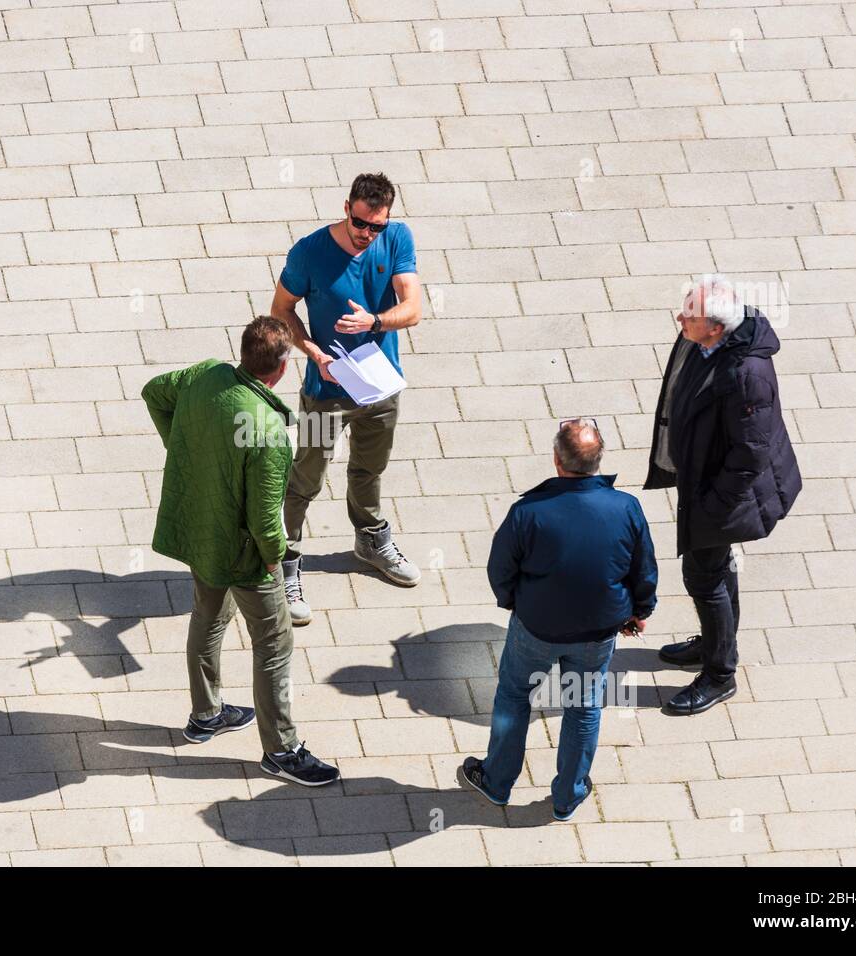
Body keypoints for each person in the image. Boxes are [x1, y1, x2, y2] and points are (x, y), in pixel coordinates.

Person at [141, 316, 340, 787]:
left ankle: (206, 714)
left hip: (198, 528)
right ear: (283, 368)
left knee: (208, 617)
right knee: (274, 643)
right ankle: (282, 749)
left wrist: (183, 446)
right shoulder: (268, 432)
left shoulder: (205, 374)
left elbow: (153, 392)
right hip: (242, 552)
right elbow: (267, 519)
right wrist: (274, 557)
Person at [460, 420, 657, 821]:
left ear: (556, 460)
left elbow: (500, 569)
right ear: (599, 462)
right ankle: (568, 795)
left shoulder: (528, 512)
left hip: (536, 628)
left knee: (514, 697)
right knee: (583, 707)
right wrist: (641, 610)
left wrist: (514, 601)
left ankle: (496, 782)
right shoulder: (626, 507)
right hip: (596, 633)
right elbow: (644, 568)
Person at [270, 171, 423, 626]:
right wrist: (312, 351)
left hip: (379, 387)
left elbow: (413, 308)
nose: (367, 234)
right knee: (305, 476)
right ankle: (285, 558)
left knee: (369, 468)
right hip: (326, 392)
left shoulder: (396, 238)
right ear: (346, 208)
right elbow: (281, 310)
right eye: (361, 224)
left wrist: (374, 323)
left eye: (377, 225)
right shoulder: (310, 252)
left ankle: (370, 537)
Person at [645, 275, 802, 716]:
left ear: (716, 327)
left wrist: (713, 506)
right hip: (707, 483)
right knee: (714, 568)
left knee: (704, 577)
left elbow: (750, 454)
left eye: (689, 315)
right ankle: (717, 642)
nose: (680, 318)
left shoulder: (746, 374)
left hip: (724, 495)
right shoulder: (706, 342)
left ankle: (719, 674)